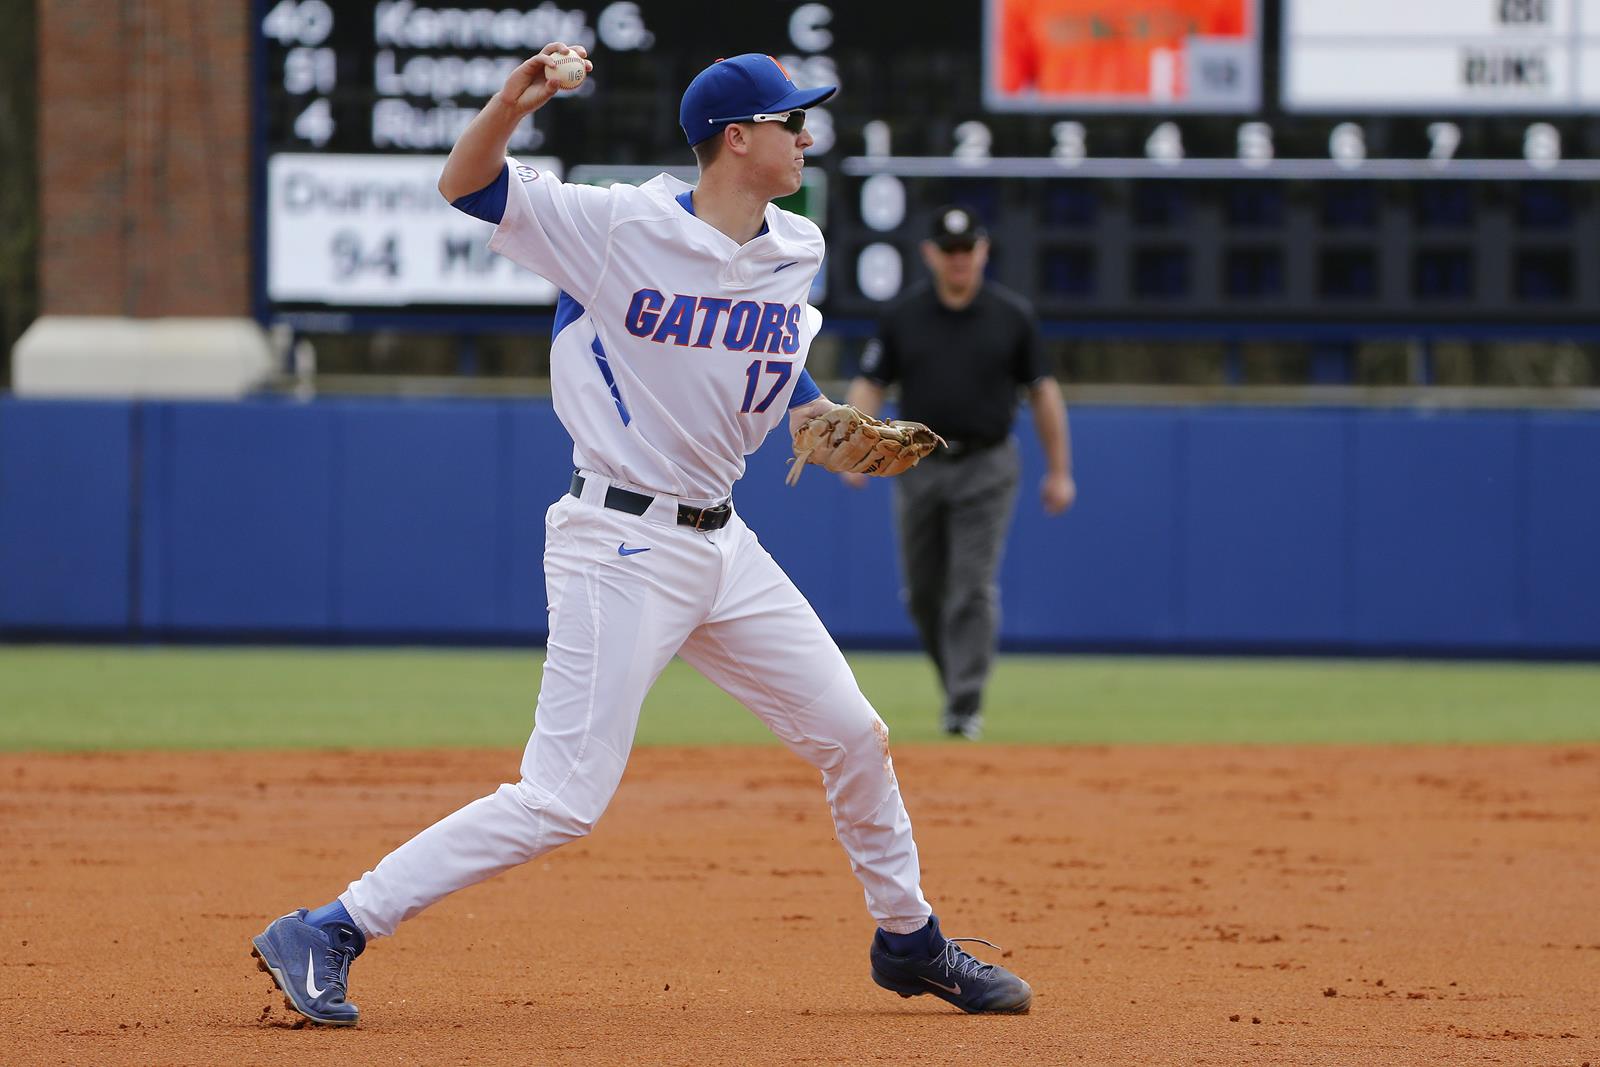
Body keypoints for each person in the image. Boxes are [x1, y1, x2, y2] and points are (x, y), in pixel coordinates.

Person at [248, 46, 1032, 1026]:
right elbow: (465, 185)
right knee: (560, 797)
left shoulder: (797, 248)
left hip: (721, 544)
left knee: (855, 735)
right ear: (735, 139)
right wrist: (513, 100)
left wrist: (831, 429)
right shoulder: (616, 225)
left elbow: (768, 372)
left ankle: (907, 938)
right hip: (616, 541)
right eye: (791, 120)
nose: (807, 134)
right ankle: (330, 926)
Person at [844, 206, 1075, 741]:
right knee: (924, 594)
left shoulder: (1012, 316)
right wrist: (858, 449)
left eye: (966, 249)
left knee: (970, 588)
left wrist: (1060, 470)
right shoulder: (905, 316)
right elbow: (870, 384)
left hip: (988, 464)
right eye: (948, 250)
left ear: (983, 251)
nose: (958, 259)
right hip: (918, 463)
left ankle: (964, 705)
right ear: (930, 254)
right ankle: (957, 685)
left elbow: (1043, 392)